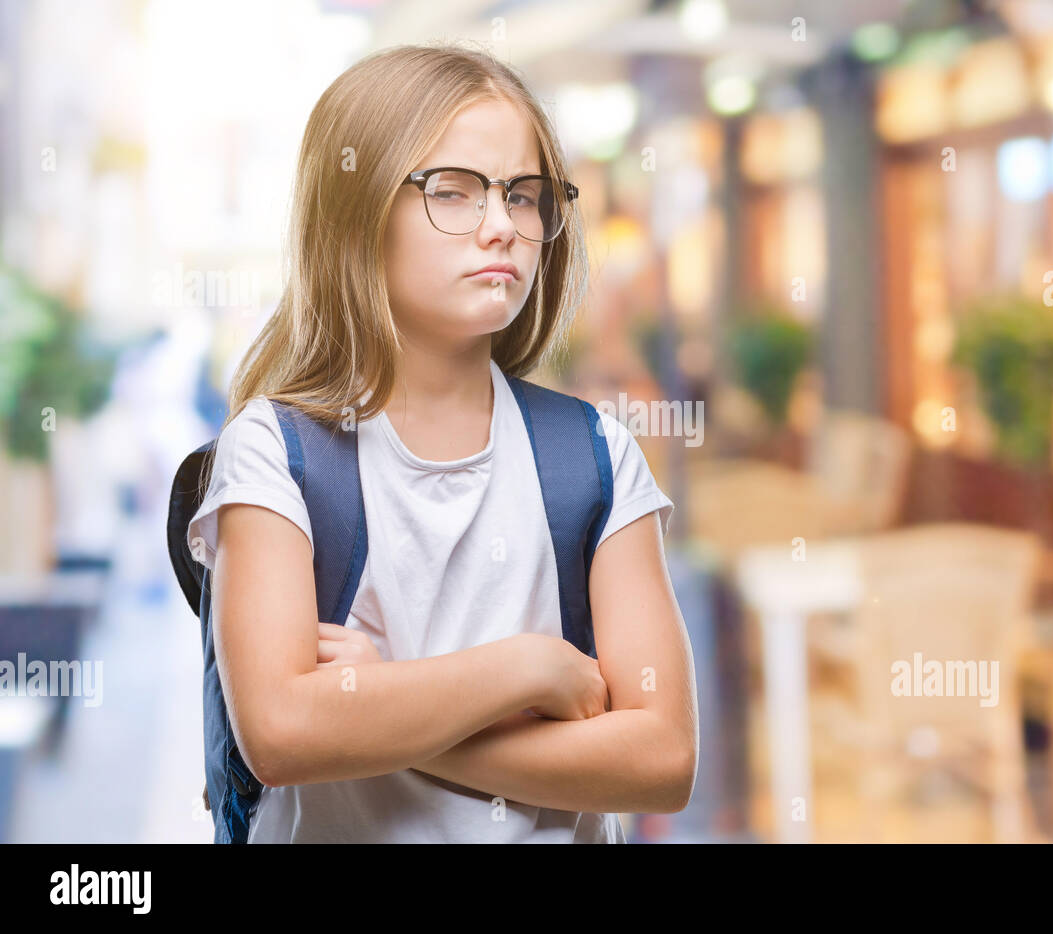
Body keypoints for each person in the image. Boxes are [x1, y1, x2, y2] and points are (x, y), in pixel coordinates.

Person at [185, 44, 698, 843]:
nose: (503, 227)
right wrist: (526, 670)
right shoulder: (275, 453)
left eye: (524, 197)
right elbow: (284, 734)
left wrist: (383, 704)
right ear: (355, 212)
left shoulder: (594, 452)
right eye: (453, 192)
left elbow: (663, 757)